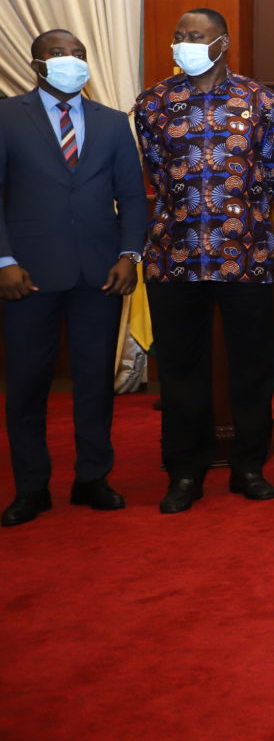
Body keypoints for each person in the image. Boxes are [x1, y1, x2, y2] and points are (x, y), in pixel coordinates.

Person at [134, 8, 274, 513]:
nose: (183, 43)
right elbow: (156, 173)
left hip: (244, 254)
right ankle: (185, 470)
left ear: (222, 43)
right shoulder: (153, 102)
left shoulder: (259, 99)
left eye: (195, 36)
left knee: (253, 367)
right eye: (178, 36)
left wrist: (241, 222)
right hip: (174, 255)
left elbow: (271, 172)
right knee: (180, 369)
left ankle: (248, 466)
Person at [0, 30, 144, 527]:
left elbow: (134, 195)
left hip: (99, 274)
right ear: (36, 64)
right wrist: (3, 261)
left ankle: (92, 478)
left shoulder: (110, 122)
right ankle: (32, 487)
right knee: (26, 386)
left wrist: (130, 254)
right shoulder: (7, 116)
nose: (70, 62)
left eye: (78, 54)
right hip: (26, 276)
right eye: (59, 55)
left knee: (94, 382)